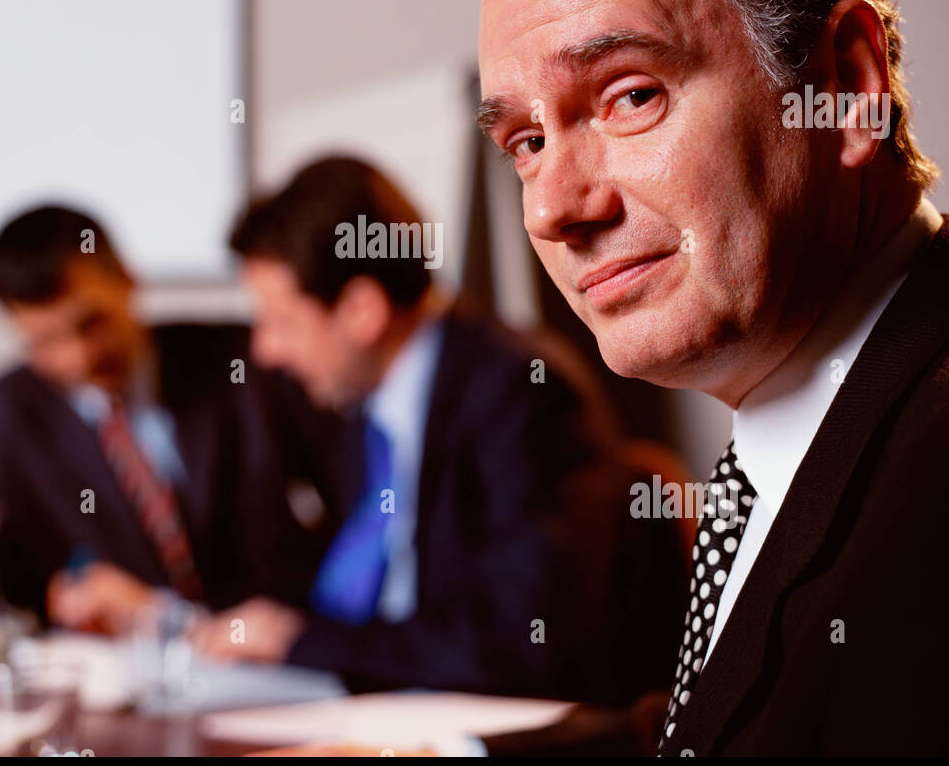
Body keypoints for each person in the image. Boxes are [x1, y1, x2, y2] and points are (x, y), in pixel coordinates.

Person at [460, 0, 949, 755]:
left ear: (847, 88)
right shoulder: (840, 418)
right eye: (526, 139)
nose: (556, 206)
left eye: (630, 94)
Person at [186, 156, 687, 703]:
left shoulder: (521, 392)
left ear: (360, 311)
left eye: (281, 322)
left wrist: (303, 640)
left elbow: (519, 642)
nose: (265, 350)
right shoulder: (359, 410)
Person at [0, 205, 330, 660]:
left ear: (128, 278)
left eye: (91, 323)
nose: (80, 357)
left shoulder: (255, 365)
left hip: (289, 667)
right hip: (126, 699)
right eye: (45, 341)